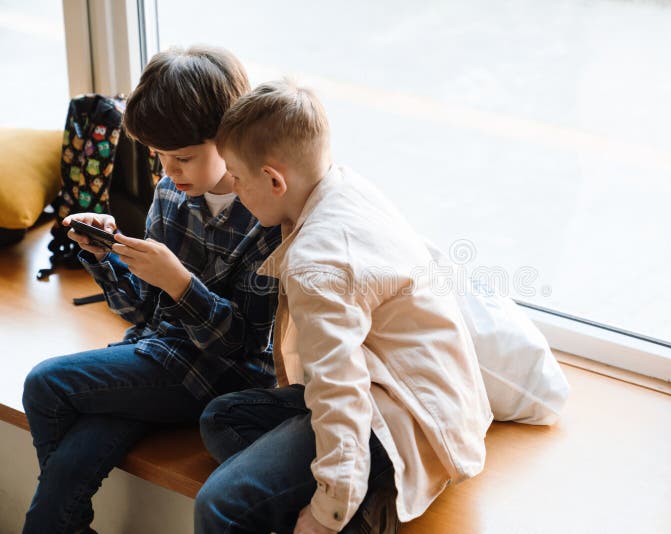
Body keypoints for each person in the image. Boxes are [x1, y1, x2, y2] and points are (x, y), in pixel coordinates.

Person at [194, 79, 492, 534]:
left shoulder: (319, 262)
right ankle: (367, 493)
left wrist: (327, 512)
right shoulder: (340, 184)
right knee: (221, 419)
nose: (233, 188)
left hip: (404, 414)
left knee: (219, 503)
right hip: (401, 384)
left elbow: (341, 395)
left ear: (274, 180)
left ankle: (359, 505)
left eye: (236, 176)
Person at [21, 46, 281, 534]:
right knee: (69, 471)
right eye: (158, 157)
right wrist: (105, 259)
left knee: (45, 383)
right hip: (158, 360)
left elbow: (247, 345)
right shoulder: (170, 193)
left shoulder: (264, 214)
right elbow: (139, 312)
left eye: (183, 157)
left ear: (230, 139)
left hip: (220, 378)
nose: (168, 172)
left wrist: (180, 284)